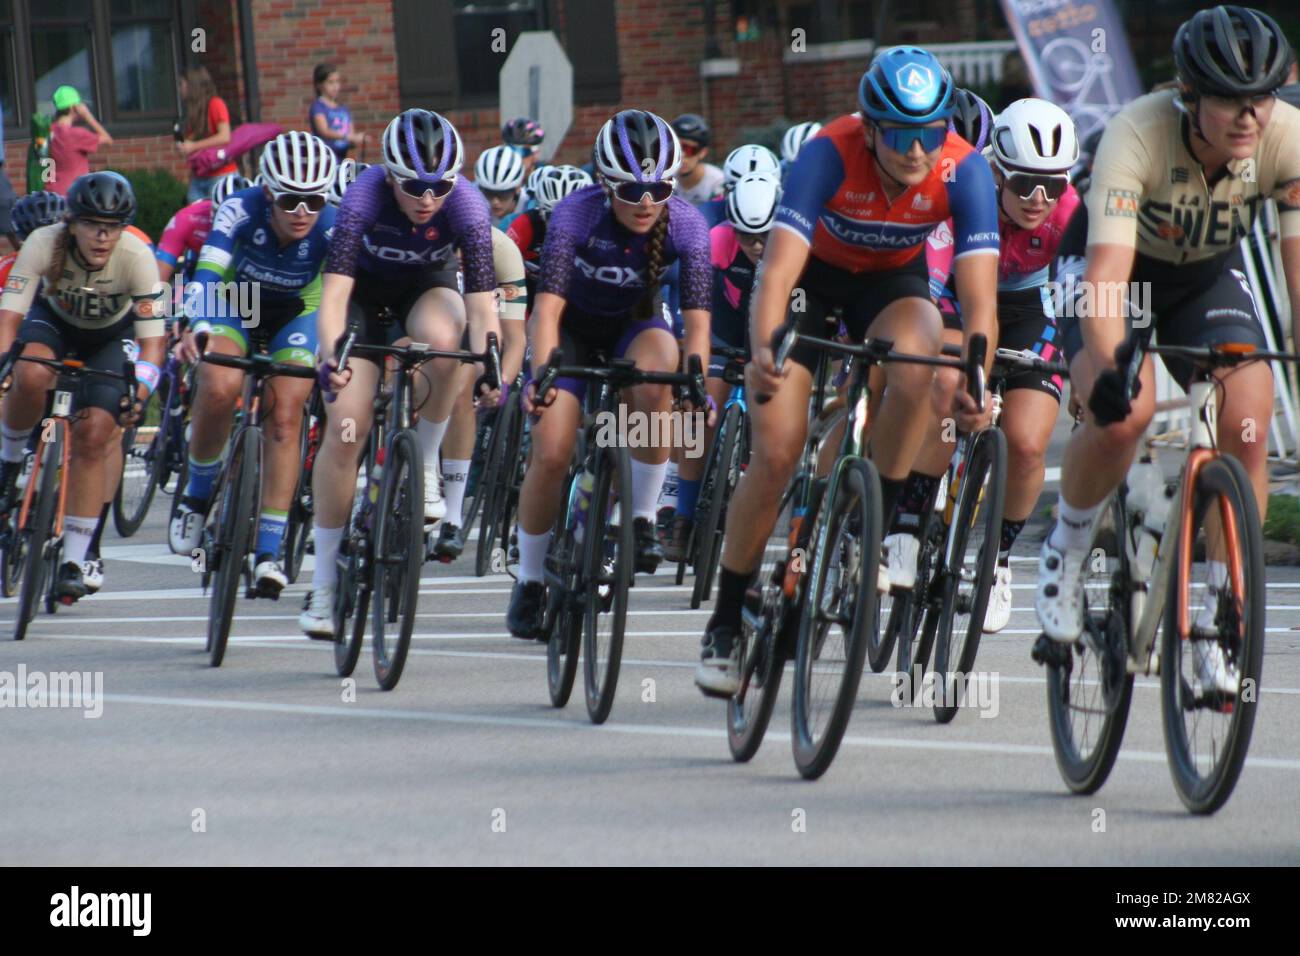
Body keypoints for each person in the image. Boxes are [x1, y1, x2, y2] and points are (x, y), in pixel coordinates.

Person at [694, 47, 1000, 695]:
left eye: (929, 133)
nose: (916, 150)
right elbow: (776, 271)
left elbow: (979, 300)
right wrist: (765, 348)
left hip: (889, 284)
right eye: (899, 134)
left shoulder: (963, 170)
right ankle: (726, 615)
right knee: (775, 454)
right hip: (812, 282)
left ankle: (873, 523)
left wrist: (978, 379)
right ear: (870, 128)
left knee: (921, 355)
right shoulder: (829, 153)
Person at [1038, 5, 1300, 697]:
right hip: (1114, 271)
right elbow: (1104, 278)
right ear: (1190, 96)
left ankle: (1216, 617)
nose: (1249, 118)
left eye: (1261, 100)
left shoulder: (1287, 139)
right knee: (1125, 413)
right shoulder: (1138, 135)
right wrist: (1108, 367)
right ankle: (1064, 549)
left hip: (1206, 273)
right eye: (1229, 102)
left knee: (1247, 420)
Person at [504, 109, 713, 640]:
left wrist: (694, 385)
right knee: (551, 452)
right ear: (604, 183)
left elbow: (697, 328)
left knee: (660, 376)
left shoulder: (686, 223)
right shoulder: (576, 215)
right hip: (571, 329)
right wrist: (541, 378)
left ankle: (640, 518)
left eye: (657, 190)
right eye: (630, 190)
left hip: (634, 326)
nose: (645, 203)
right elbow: (546, 313)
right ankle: (529, 579)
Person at [302, 109, 502, 636]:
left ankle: (427, 460)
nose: (428, 197)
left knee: (447, 337)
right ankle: (322, 585)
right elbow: (336, 293)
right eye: (414, 186)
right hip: (362, 298)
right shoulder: (363, 198)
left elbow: (482, 307)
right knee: (347, 430)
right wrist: (329, 354)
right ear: (389, 175)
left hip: (424, 289)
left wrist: (489, 364)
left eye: (439, 185)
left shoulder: (468, 207)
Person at [918, 97, 1078, 633]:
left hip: (1032, 308)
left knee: (1029, 441)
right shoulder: (968, 193)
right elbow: (931, 282)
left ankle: (998, 561)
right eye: (1025, 184)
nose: (1039, 199)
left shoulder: (1071, 211)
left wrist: (1087, 363)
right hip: (962, 297)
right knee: (946, 386)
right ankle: (910, 512)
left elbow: (1089, 294)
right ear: (996, 170)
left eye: (1052, 186)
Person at [168, 132, 338, 600]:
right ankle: (197, 495)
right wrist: (194, 324)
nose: (303, 211)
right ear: (268, 192)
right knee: (220, 383)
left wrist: (339, 348)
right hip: (235, 302)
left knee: (285, 417)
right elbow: (208, 272)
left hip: (298, 311)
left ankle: (268, 549)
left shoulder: (333, 226)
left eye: (314, 200)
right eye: (290, 199)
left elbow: (344, 294)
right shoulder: (239, 208)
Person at [0, 172, 164, 599]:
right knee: (31, 371)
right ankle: (11, 456)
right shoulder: (43, 242)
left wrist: (140, 393)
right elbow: (9, 319)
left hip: (110, 338)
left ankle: (76, 557)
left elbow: (153, 344)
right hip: (53, 323)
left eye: (112, 227)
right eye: (92, 224)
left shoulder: (138, 257)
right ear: (71, 223)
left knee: (95, 433)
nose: (102, 236)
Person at [664, 171, 781, 560]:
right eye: (747, 237)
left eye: (765, 235)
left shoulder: (793, 248)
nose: (757, 245)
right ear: (732, 226)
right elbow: (693, 304)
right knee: (699, 414)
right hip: (725, 336)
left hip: (771, 341)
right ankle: (682, 517)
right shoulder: (715, 243)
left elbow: (806, 305)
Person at [434, 227, 530, 560]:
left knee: (461, 387)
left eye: (466, 247)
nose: (460, 255)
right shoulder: (425, 239)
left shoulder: (501, 251)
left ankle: (452, 514)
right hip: (428, 314)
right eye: (454, 246)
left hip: (478, 330)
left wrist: (501, 379)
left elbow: (515, 337)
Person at [506, 164, 592, 304]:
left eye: (573, 220)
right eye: (553, 218)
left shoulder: (599, 228)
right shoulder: (526, 224)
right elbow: (499, 273)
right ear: (540, 212)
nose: (562, 228)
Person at [155, 171, 250, 285]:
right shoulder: (187, 218)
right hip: (198, 262)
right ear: (212, 212)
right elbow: (156, 283)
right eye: (223, 221)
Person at [175, 67, 236, 203]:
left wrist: (193, 146)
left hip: (221, 174)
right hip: (199, 176)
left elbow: (225, 136)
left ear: (192, 85)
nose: (180, 89)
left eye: (181, 84)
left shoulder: (215, 104)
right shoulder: (193, 112)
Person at [47, 86, 113, 197]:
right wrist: (88, 116)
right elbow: (108, 141)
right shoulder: (76, 134)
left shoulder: (48, 132)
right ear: (74, 107)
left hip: (52, 194)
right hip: (74, 195)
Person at [309, 63, 368, 162]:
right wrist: (348, 137)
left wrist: (357, 139)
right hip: (324, 161)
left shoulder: (343, 109)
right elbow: (324, 131)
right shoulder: (318, 106)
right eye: (330, 82)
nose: (335, 86)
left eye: (337, 82)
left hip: (342, 160)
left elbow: (351, 136)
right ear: (319, 85)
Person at [672, 114, 724, 205]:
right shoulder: (665, 179)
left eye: (689, 149)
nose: (682, 156)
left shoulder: (717, 184)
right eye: (677, 149)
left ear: (703, 152)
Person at [474, 145, 526, 227]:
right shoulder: (471, 200)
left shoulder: (528, 206)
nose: (495, 201)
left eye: (503, 194)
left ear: (517, 188)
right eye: (488, 193)